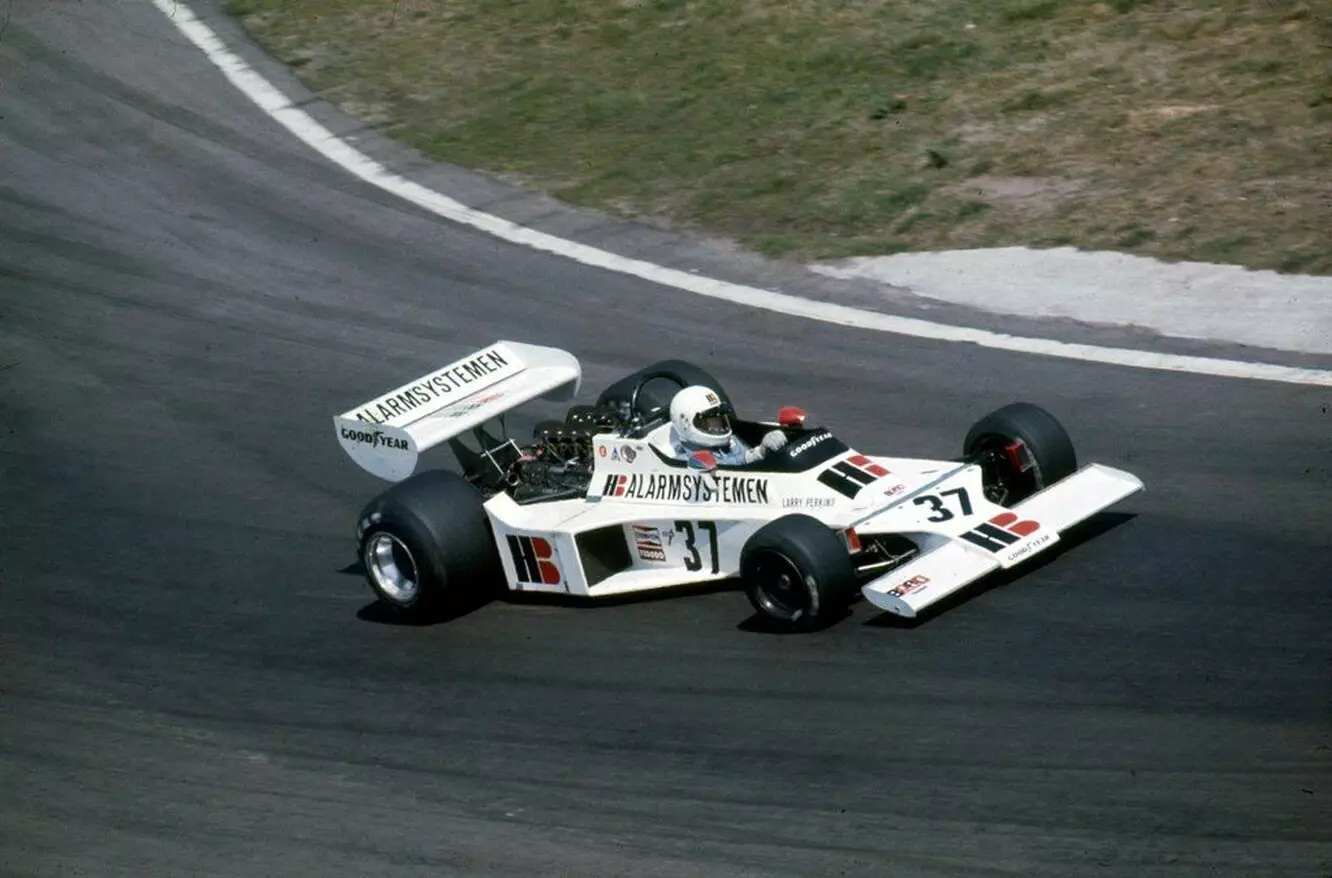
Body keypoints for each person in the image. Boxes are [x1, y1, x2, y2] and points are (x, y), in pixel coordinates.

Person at [667, 385, 788, 466]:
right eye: (711, 421)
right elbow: (723, 470)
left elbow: (744, 458)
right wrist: (758, 454)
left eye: (720, 419)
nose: (719, 425)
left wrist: (761, 452)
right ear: (686, 423)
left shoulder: (731, 442)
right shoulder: (685, 463)